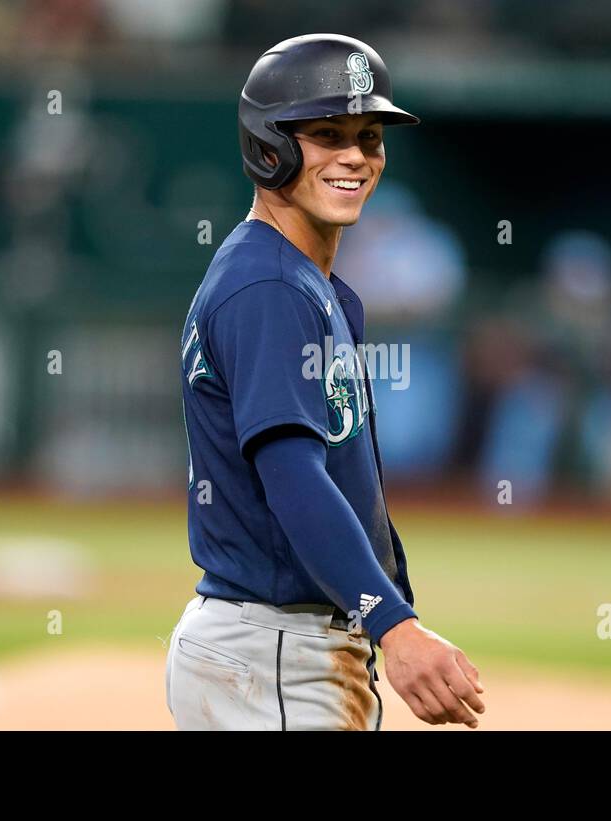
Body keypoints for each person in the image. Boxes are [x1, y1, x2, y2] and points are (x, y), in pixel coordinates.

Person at [166, 33, 486, 730]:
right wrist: (395, 626)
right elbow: (291, 474)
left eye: (369, 136)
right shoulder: (268, 286)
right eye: (326, 134)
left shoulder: (308, 285)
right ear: (267, 145)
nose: (356, 157)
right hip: (275, 651)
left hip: (278, 651)